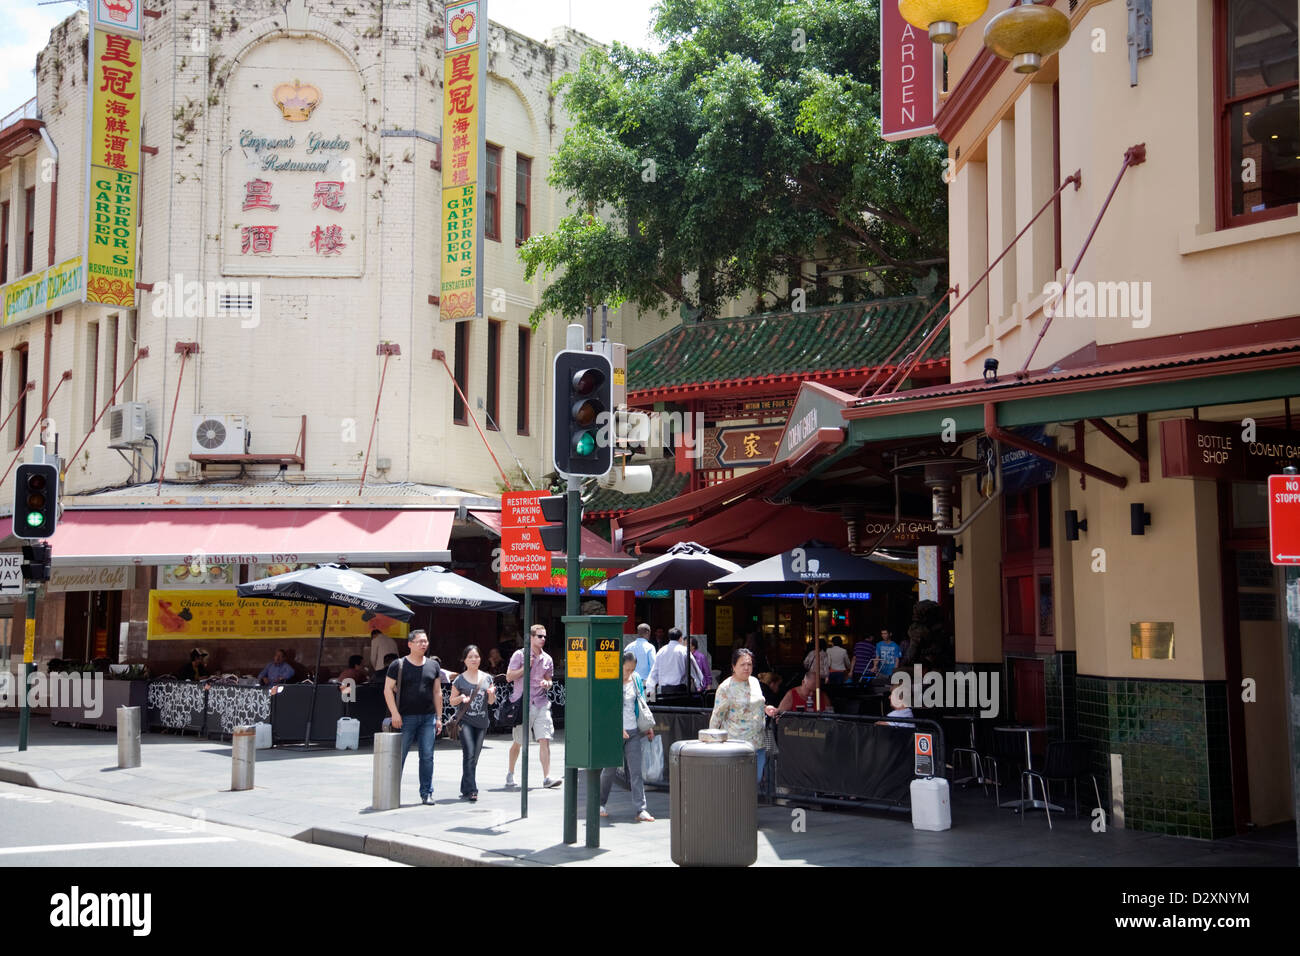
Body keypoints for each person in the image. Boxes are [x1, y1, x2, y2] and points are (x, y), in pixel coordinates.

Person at [383, 630, 443, 805]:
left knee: (427, 756)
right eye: (419, 641)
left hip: (428, 717)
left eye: (425, 641)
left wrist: (439, 717)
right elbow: (387, 689)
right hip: (405, 717)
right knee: (399, 756)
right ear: (410, 644)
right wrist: (395, 713)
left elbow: (437, 692)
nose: (423, 644)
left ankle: (427, 793)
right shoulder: (398, 665)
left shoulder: (433, 665)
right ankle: (390, 792)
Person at [599, 651, 656, 822]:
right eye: (626, 670)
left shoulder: (636, 679)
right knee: (608, 770)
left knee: (636, 771)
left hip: (632, 731)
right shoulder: (610, 679)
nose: (628, 673)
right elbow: (605, 708)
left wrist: (647, 726)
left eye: (631, 670)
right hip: (615, 732)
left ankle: (641, 809)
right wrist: (616, 727)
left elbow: (640, 703)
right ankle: (600, 802)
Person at [709, 647, 778, 783]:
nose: (746, 668)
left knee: (756, 780)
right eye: (742, 664)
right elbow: (717, 717)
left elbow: (755, 703)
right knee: (739, 782)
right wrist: (712, 743)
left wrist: (765, 708)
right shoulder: (725, 687)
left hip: (758, 743)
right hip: (736, 745)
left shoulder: (755, 682)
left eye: (749, 664)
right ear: (733, 666)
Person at [505, 624, 562, 789]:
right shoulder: (520, 655)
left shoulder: (548, 659)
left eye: (544, 636)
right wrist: (525, 668)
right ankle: (510, 772)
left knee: (545, 739)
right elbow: (509, 677)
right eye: (539, 636)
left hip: (542, 703)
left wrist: (547, 683)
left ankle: (547, 777)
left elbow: (549, 679)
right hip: (523, 703)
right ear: (530, 637)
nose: (543, 639)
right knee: (519, 742)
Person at [450, 645, 496, 802]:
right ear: (464, 660)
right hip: (465, 721)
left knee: (474, 757)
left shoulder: (487, 678)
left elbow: (491, 702)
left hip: (482, 721)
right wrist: (461, 698)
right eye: (470, 657)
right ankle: (472, 790)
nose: (474, 660)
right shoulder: (459, 679)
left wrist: (491, 694)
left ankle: (465, 786)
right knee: (468, 754)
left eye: (476, 657)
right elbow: (452, 701)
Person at [646, 627, 704, 698]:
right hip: (681, 690)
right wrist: (699, 685)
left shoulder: (661, 651)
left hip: (665, 691)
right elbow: (694, 670)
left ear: (669, 638)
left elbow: (654, 673)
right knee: (680, 708)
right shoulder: (684, 651)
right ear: (680, 638)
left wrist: (650, 695)